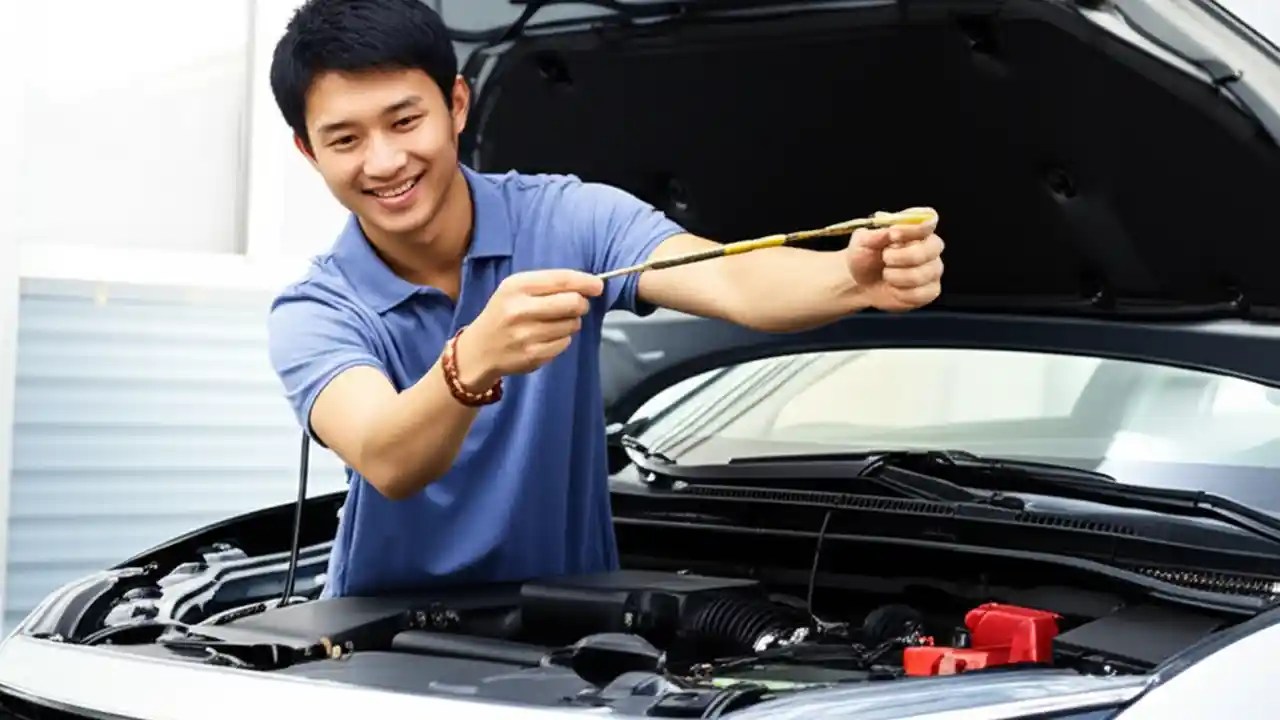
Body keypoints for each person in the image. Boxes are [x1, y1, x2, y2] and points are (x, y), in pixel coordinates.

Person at [266, 0, 945, 599]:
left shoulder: (568, 218)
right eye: (346, 139)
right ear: (308, 151)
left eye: (405, 120)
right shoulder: (317, 312)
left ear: (457, 106)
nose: (384, 162)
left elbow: (727, 279)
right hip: (370, 651)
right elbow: (387, 459)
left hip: (571, 632)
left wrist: (852, 279)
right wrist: (473, 360)